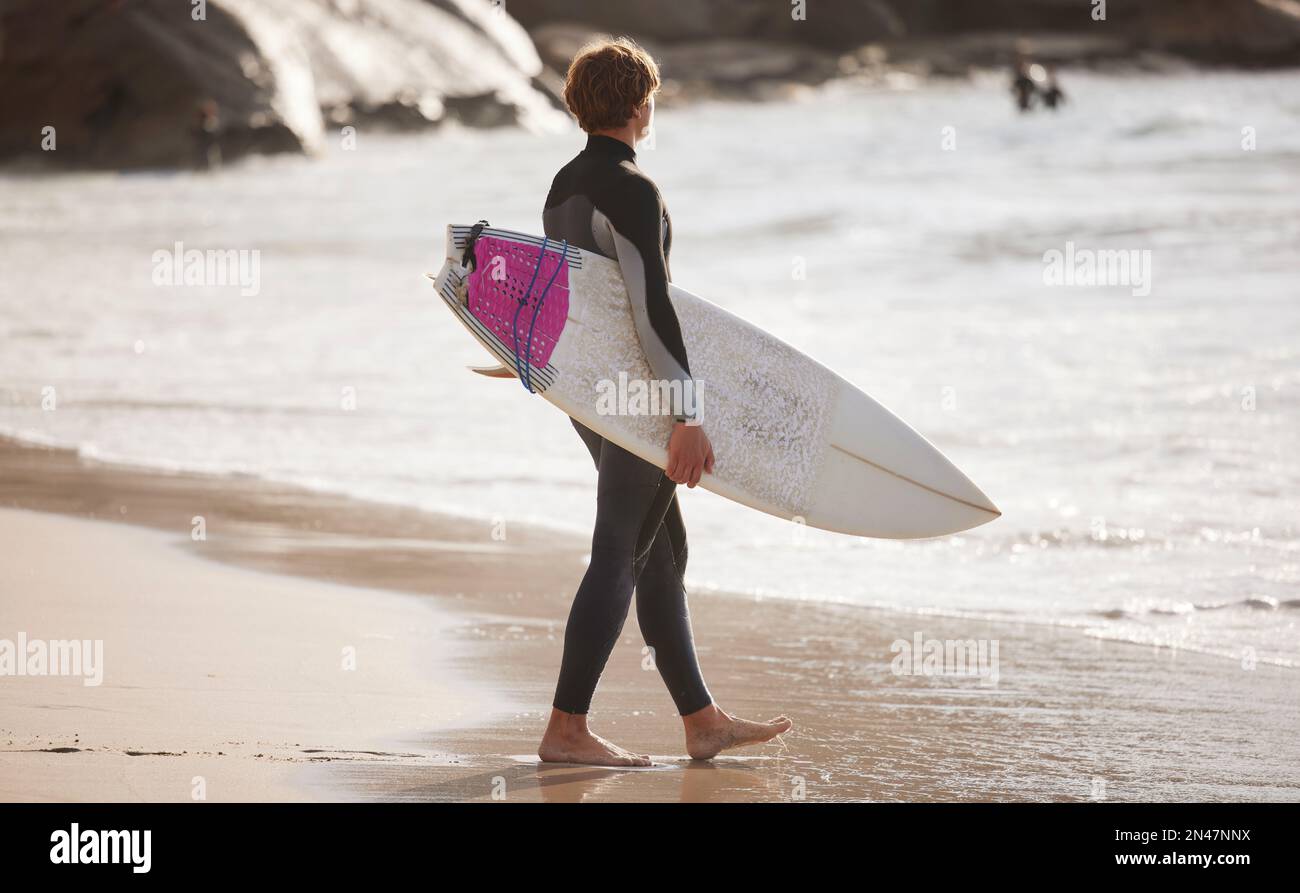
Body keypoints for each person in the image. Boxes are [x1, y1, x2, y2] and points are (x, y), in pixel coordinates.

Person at [537, 38, 792, 766]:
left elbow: (576, 300)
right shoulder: (633, 189)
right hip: (639, 392)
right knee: (619, 550)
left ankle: (702, 719)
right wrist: (686, 414)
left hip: (591, 392)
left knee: (662, 550)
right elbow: (652, 307)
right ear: (640, 105)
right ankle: (566, 729)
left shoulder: (561, 185)